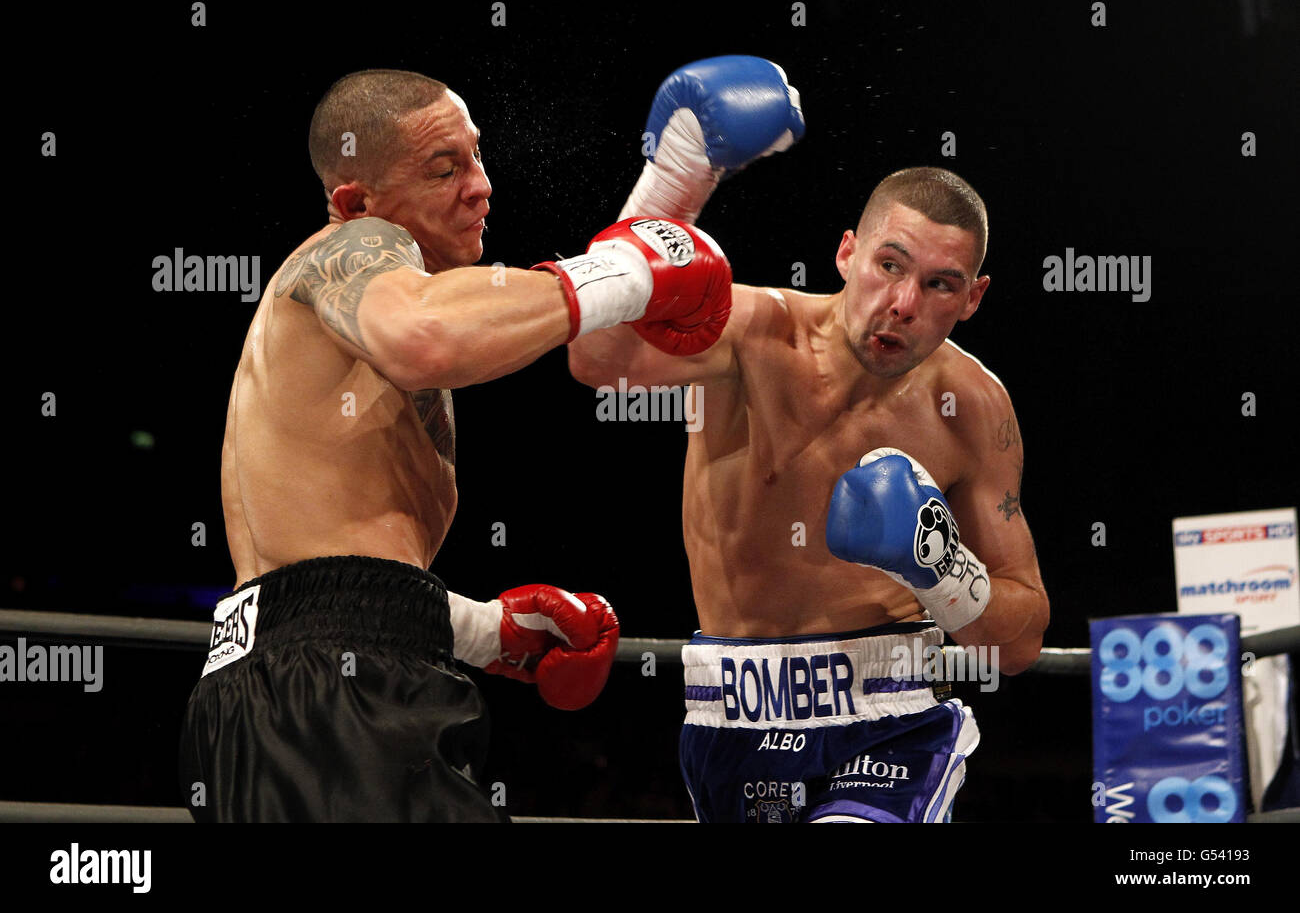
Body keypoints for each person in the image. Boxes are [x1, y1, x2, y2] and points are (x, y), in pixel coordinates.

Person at [178, 68, 735, 822]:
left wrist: (487, 632)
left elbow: (320, 581)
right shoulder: (353, 250)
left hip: (284, 690)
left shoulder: (358, 320)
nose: (481, 186)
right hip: (332, 697)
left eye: (476, 157)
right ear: (354, 201)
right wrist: (628, 272)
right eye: (445, 169)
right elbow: (425, 338)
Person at [570, 84, 1050, 821]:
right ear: (846, 253)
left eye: (939, 285)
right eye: (890, 265)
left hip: (891, 719)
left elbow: (1019, 639)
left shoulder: (973, 407)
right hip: (732, 716)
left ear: (973, 297)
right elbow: (599, 360)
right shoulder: (754, 334)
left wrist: (942, 570)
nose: (904, 303)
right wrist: (672, 182)